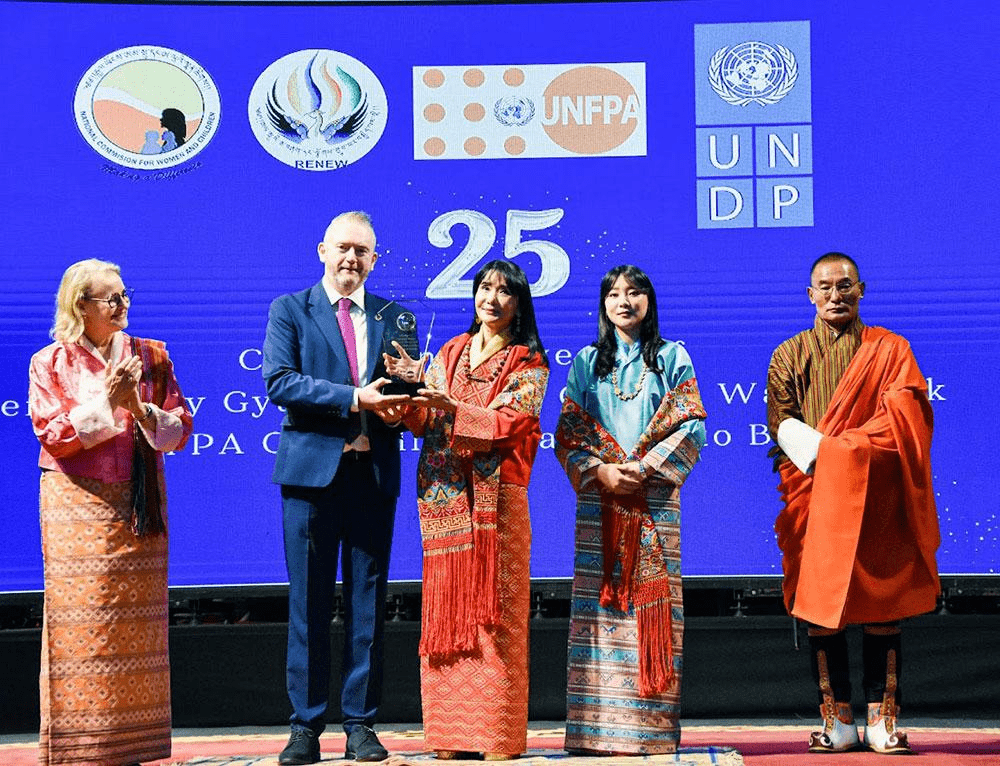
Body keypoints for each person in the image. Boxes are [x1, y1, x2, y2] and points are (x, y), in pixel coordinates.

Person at [767, 252, 940, 754]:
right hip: (813, 491)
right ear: (810, 295)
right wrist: (828, 460)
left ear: (861, 289)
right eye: (825, 287)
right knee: (823, 607)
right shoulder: (789, 354)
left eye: (845, 286)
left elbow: (905, 420)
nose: (835, 296)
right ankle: (836, 720)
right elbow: (783, 424)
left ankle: (883, 719)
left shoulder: (891, 350)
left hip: (877, 493)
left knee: (881, 605)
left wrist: (845, 451)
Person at [28, 258, 193, 766]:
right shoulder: (49, 362)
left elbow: (180, 430)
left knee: (135, 626)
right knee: (82, 624)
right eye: (111, 298)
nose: (123, 306)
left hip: (138, 507)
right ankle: (82, 747)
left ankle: (134, 743)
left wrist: (137, 406)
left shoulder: (151, 356)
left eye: (125, 295)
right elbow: (51, 434)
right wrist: (106, 398)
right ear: (81, 305)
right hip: (75, 504)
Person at [382, 260, 549, 760]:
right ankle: (451, 738)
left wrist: (451, 407)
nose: (490, 299)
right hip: (445, 500)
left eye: (503, 291)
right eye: (484, 288)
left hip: (499, 506)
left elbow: (514, 421)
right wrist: (410, 388)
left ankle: (496, 734)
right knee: (448, 611)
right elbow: (422, 418)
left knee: (495, 615)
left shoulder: (529, 361)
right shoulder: (450, 351)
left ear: (519, 304)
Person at [262, 211, 413, 765]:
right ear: (321, 250)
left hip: (372, 478)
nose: (352, 259)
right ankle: (305, 727)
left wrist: (403, 405)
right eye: (344, 248)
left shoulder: (398, 318)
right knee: (308, 603)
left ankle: (360, 724)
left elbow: (400, 398)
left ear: (375, 259)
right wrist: (356, 399)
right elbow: (280, 382)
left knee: (368, 604)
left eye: (363, 252)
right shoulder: (290, 310)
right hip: (310, 479)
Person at [554, 264, 707, 755]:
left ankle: (651, 733)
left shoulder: (671, 357)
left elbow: (694, 428)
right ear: (603, 304)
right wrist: (600, 471)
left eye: (635, 292)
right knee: (602, 615)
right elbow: (568, 434)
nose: (624, 301)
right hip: (600, 501)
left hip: (654, 500)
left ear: (649, 300)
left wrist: (646, 467)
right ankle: (596, 733)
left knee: (650, 609)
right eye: (614, 294)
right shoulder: (585, 363)